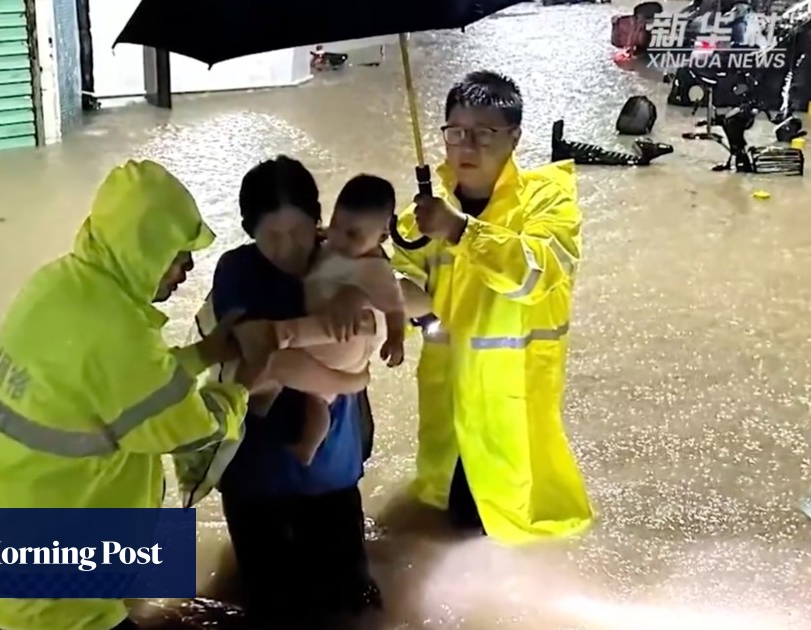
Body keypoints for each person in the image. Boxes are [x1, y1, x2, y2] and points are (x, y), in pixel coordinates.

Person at [0, 159, 260, 630]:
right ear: (146, 248)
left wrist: (201, 354)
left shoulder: (57, 285)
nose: (187, 268)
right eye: (179, 253)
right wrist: (244, 385)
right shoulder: (119, 336)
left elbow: (114, 391)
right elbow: (194, 426)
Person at [392, 71, 594, 543]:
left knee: (509, 527)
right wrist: (385, 283)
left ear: (515, 137)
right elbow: (400, 280)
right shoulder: (422, 213)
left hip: (511, 404)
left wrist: (462, 230)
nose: (466, 146)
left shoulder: (549, 200)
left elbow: (536, 273)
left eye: (484, 134)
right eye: (455, 132)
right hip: (449, 401)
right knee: (445, 530)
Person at [202, 155, 382, 622]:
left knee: (352, 602)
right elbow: (260, 353)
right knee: (270, 607)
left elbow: (408, 295)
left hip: (333, 468)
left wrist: (356, 293)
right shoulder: (236, 271)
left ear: (319, 221)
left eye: (300, 232)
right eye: (273, 237)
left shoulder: (349, 256)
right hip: (257, 474)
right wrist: (351, 378)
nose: (288, 248)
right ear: (248, 230)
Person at [235, 174, 406, 465]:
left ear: (382, 236)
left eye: (352, 235)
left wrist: (395, 338)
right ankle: (301, 443)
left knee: (275, 362)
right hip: (328, 355)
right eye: (336, 226)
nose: (339, 238)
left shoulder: (375, 269)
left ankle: (236, 405)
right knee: (316, 400)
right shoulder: (325, 245)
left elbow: (398, 306)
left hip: (339, 341)